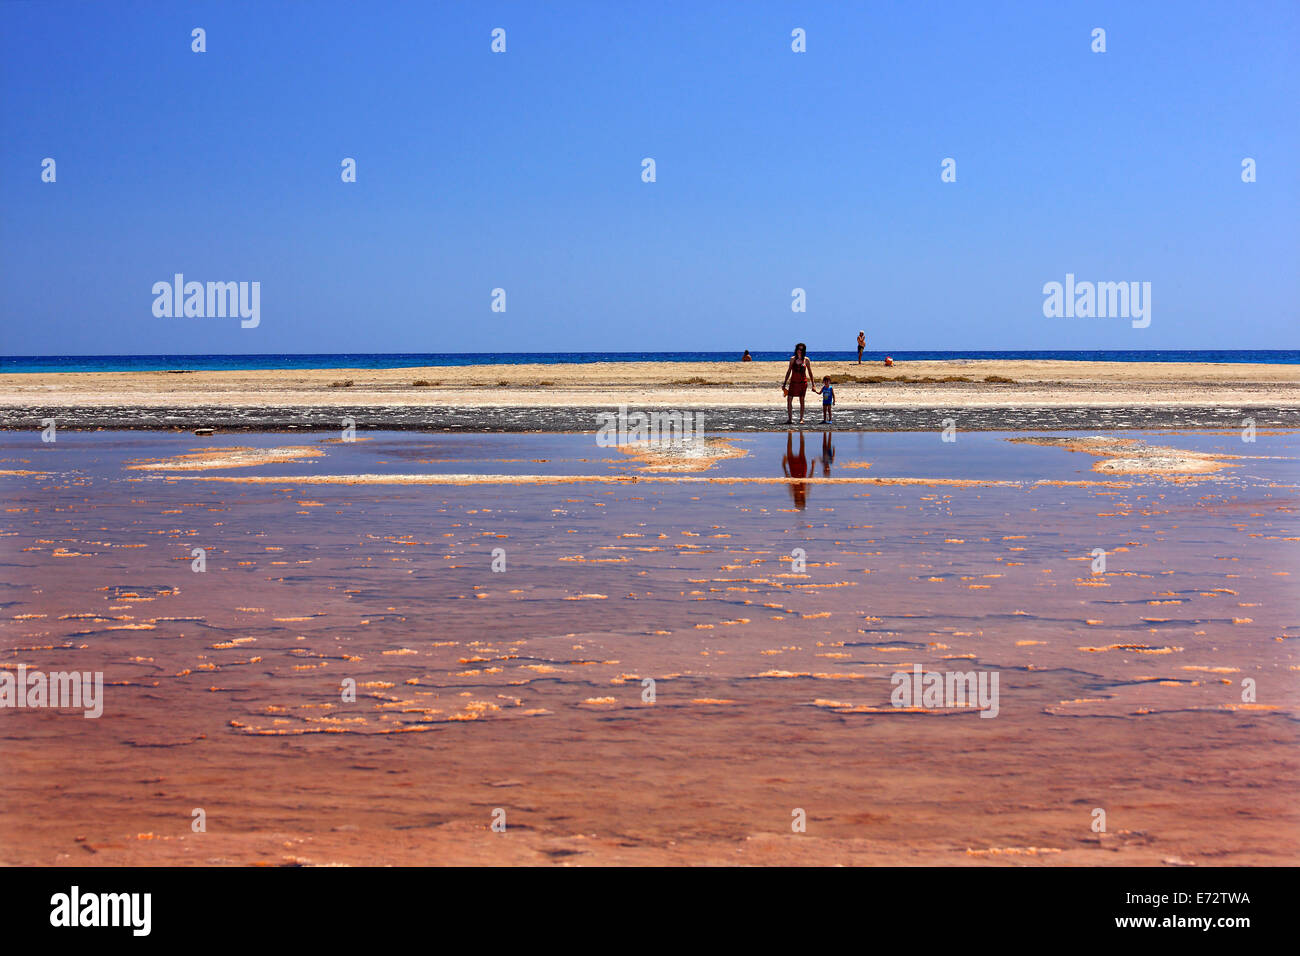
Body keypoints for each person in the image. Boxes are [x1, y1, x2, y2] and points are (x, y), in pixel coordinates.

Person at [781, 342, 814, 425]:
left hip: (802, 383)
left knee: (802, 400)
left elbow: (810, 372)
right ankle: (790, 419)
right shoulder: (792, 359)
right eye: (799, 349)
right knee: (789, 400)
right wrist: (784, 383)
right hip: (793, 382)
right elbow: (788, 371)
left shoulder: (806, 360)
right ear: (796, 350)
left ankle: (801, 419)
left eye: (802, 349)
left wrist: (813, 384)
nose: (800, 351)